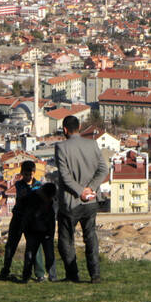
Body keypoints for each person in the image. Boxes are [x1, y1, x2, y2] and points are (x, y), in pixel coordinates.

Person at [54, 115, 108, 283]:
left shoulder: (61, 147)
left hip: (70, 203)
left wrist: (80, 192)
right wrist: (90, 188)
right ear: (79, 127)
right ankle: (95, 275)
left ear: (64, 129)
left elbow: (65, 176)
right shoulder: (92, 144)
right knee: (91, 237)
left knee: (66, 239)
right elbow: (103, 170)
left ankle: (72, 274)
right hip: (91, 202)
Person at [0, 162, 37, 281]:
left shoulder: (38, 185)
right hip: (19, 217)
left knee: (31, 247)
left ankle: (29, 273)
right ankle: (6, 269)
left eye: (30, 174)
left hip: (31, 219)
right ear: (21, 174)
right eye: (26, 174)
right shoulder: (19, 185)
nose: (28, 177)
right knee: (11, 245)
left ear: (34, 173)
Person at [20, 182, 58, 283]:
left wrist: (50, 234)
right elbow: (26, 217)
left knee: (49, 255)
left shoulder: (50, 201)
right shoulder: (31, 199)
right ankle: (26, 276)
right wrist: (27, 231)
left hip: (46, 231)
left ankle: (53, 276)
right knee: (30, 255)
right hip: (33, 231)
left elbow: (52, 219)